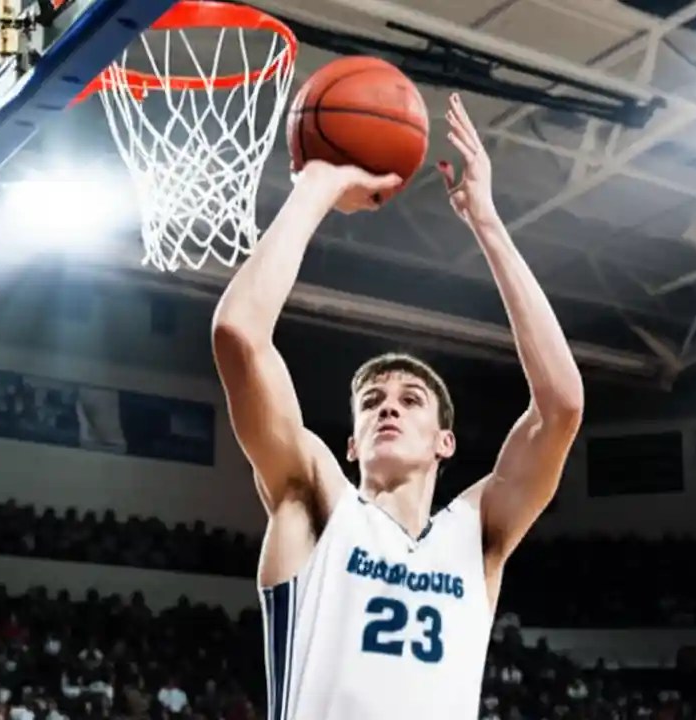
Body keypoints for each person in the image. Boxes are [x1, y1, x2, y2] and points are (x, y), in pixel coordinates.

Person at [211, 93, 584, 720]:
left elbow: (562, 407)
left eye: (411, 401)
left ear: (445, 442)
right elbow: (239, 336)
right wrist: (318, 186)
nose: (389, 409)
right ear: (351, 442)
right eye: (372, 402)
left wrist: (488, 223)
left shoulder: (475, 534)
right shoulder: (318, 502)